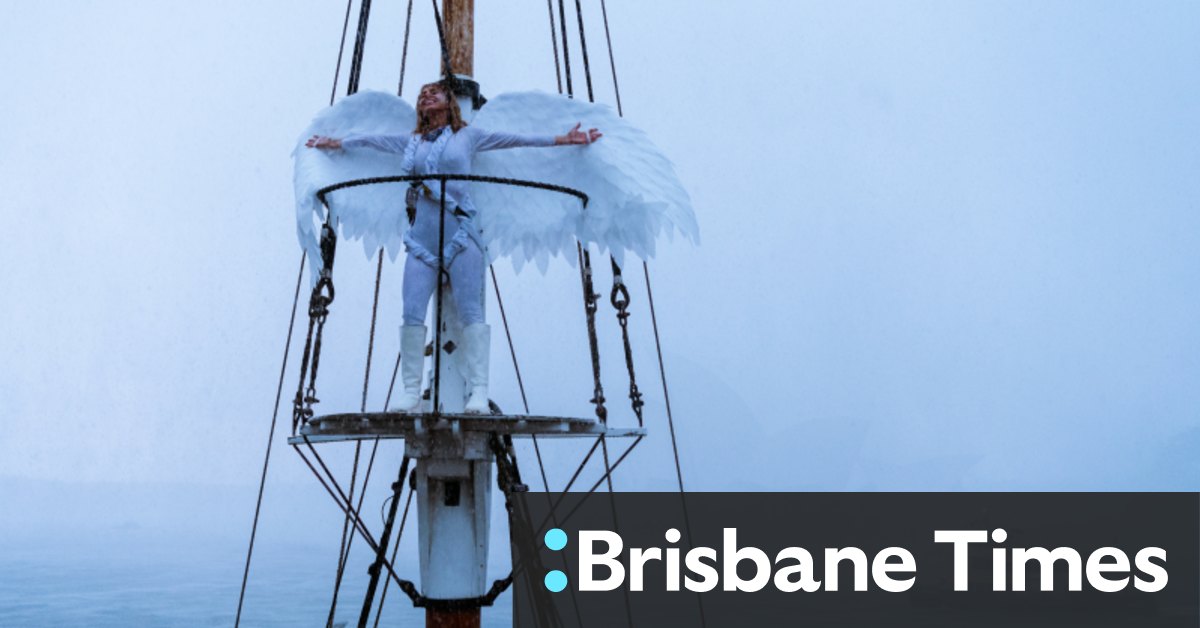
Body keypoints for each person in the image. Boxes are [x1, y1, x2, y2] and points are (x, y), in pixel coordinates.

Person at [306, 81, 601, 414]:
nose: (427, 96)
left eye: (435, 92)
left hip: (460, 236)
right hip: (422, 241)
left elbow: (516, 139)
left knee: (470, 311)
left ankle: (478, 390)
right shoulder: (412, 142)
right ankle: (411, 390)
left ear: (450, 102)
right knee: (411, 311)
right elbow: (373, 141)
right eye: (423, 94)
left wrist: (563, 139)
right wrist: (337, 143)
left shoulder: (468, 136)